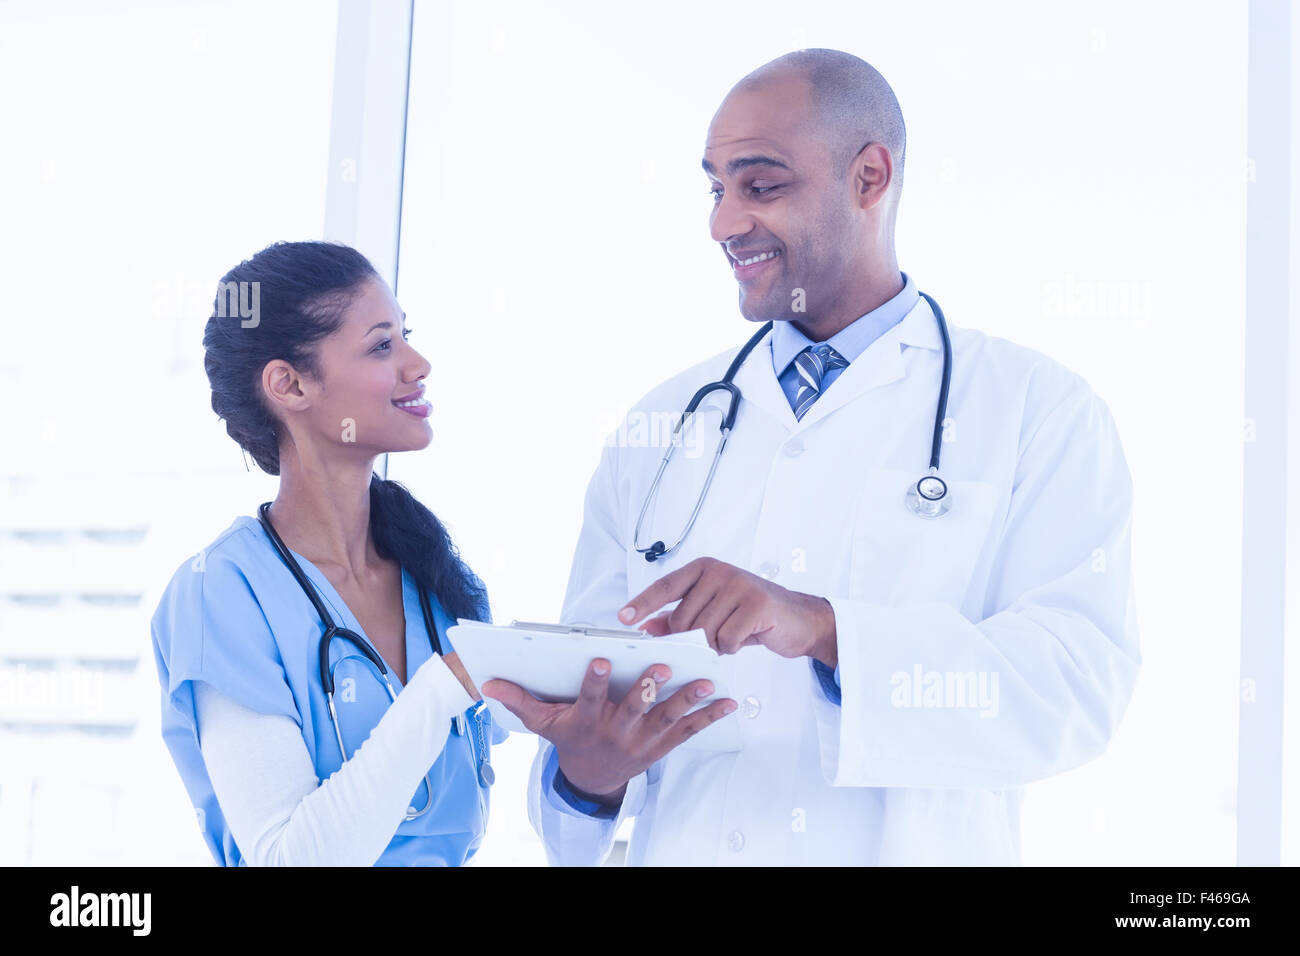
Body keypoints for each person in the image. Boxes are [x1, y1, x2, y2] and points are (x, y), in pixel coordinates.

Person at [484, 49, 1140, 866]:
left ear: (870, 178)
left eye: (761, 186)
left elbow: (1075, 690)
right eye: (716, 188)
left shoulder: (1037, 410)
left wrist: (828, 631)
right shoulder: (664, 424)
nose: (723, 223)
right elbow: (586, 747)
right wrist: (589, 773)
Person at [150, 240, 504, 866]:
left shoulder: (435, 579)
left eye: (405, 336)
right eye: (380, 345)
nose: (417, 364)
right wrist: (442, 687)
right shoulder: (223, 592)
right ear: (289, 385)